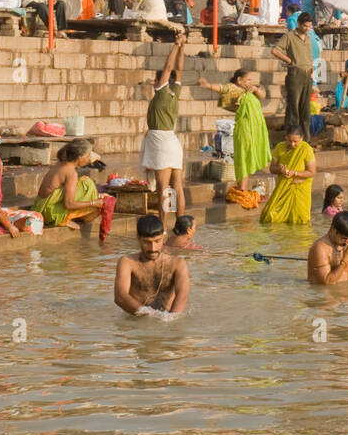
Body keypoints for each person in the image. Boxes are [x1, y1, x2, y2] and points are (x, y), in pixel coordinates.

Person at [198, 67, 271, 189]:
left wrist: (255, 89)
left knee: (247, 158)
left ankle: (242, 187)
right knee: (243, 157)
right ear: (239, 80)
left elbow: (262, 95)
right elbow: (222, 88)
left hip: (256, 129)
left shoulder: (251, 91)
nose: (250, 82)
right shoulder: (235, 89)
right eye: (247, 80)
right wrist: (208, 85)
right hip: (244, 129)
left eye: (251, 80)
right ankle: (241, 188)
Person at [141, 32, 187, 224]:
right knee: (177, 185)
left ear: (160, 82)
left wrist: (176, 45)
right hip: (172, 142)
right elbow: (178, 69)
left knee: (164, 188)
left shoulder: (161, 92)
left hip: (161, 142)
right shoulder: (175, 92)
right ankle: (182, 224)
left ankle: (163, 226)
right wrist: (183, 46)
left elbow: (169, 68)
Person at [114, 213, 189, 317]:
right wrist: (150, 315)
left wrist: (171, 319)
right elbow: (120, 296)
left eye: (157, 241)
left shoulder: (178, 264)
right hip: (138, 321)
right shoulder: (127, 262)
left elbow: (183, 295)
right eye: (147, 242)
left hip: (168, 319)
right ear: (138, 238)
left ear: (164, 237)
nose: (153, 248)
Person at [33, 139, 106, 230]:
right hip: (50, 214)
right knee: (88, 185)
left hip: (39, 208)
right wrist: (94, 203)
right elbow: (69, 204)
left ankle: (71, 216)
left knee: (85, 183)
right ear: (80, 157)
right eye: (87, 156)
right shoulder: (71, 173)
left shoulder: (60, 164)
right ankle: (63, 219)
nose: (88, 159)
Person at [259, 124, 317, 224]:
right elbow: (272, 168)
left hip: (299, 188)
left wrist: (294, 173)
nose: (292, 144)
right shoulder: (279, 147)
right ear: (285, 137)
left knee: (300, 220)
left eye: (296, 141)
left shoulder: (306, 149)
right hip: (283, 187)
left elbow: (311, 172)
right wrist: (280, 170)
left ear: (301, 139)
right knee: (269, 216)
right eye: (290, 141)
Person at [272, 11, 315, 135]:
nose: (307, 29)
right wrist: (288, 60)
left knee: (305, 109)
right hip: (295, 74)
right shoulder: (289, 36)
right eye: (305, 26)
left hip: (307, 74)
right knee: (293, 108)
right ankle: (291, 136)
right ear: (298, 24)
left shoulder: (308, 38)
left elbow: (310, 55)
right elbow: (275, 50)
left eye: (309, 26)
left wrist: (311, 68)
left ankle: (305, 139)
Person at [307, 210, 348, 286]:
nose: (347, 242)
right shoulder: (320, 248)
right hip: (324, 296)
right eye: (344, 238)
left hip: (343, 293)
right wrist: (346, 260)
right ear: (333, 230)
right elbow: (327, 283)